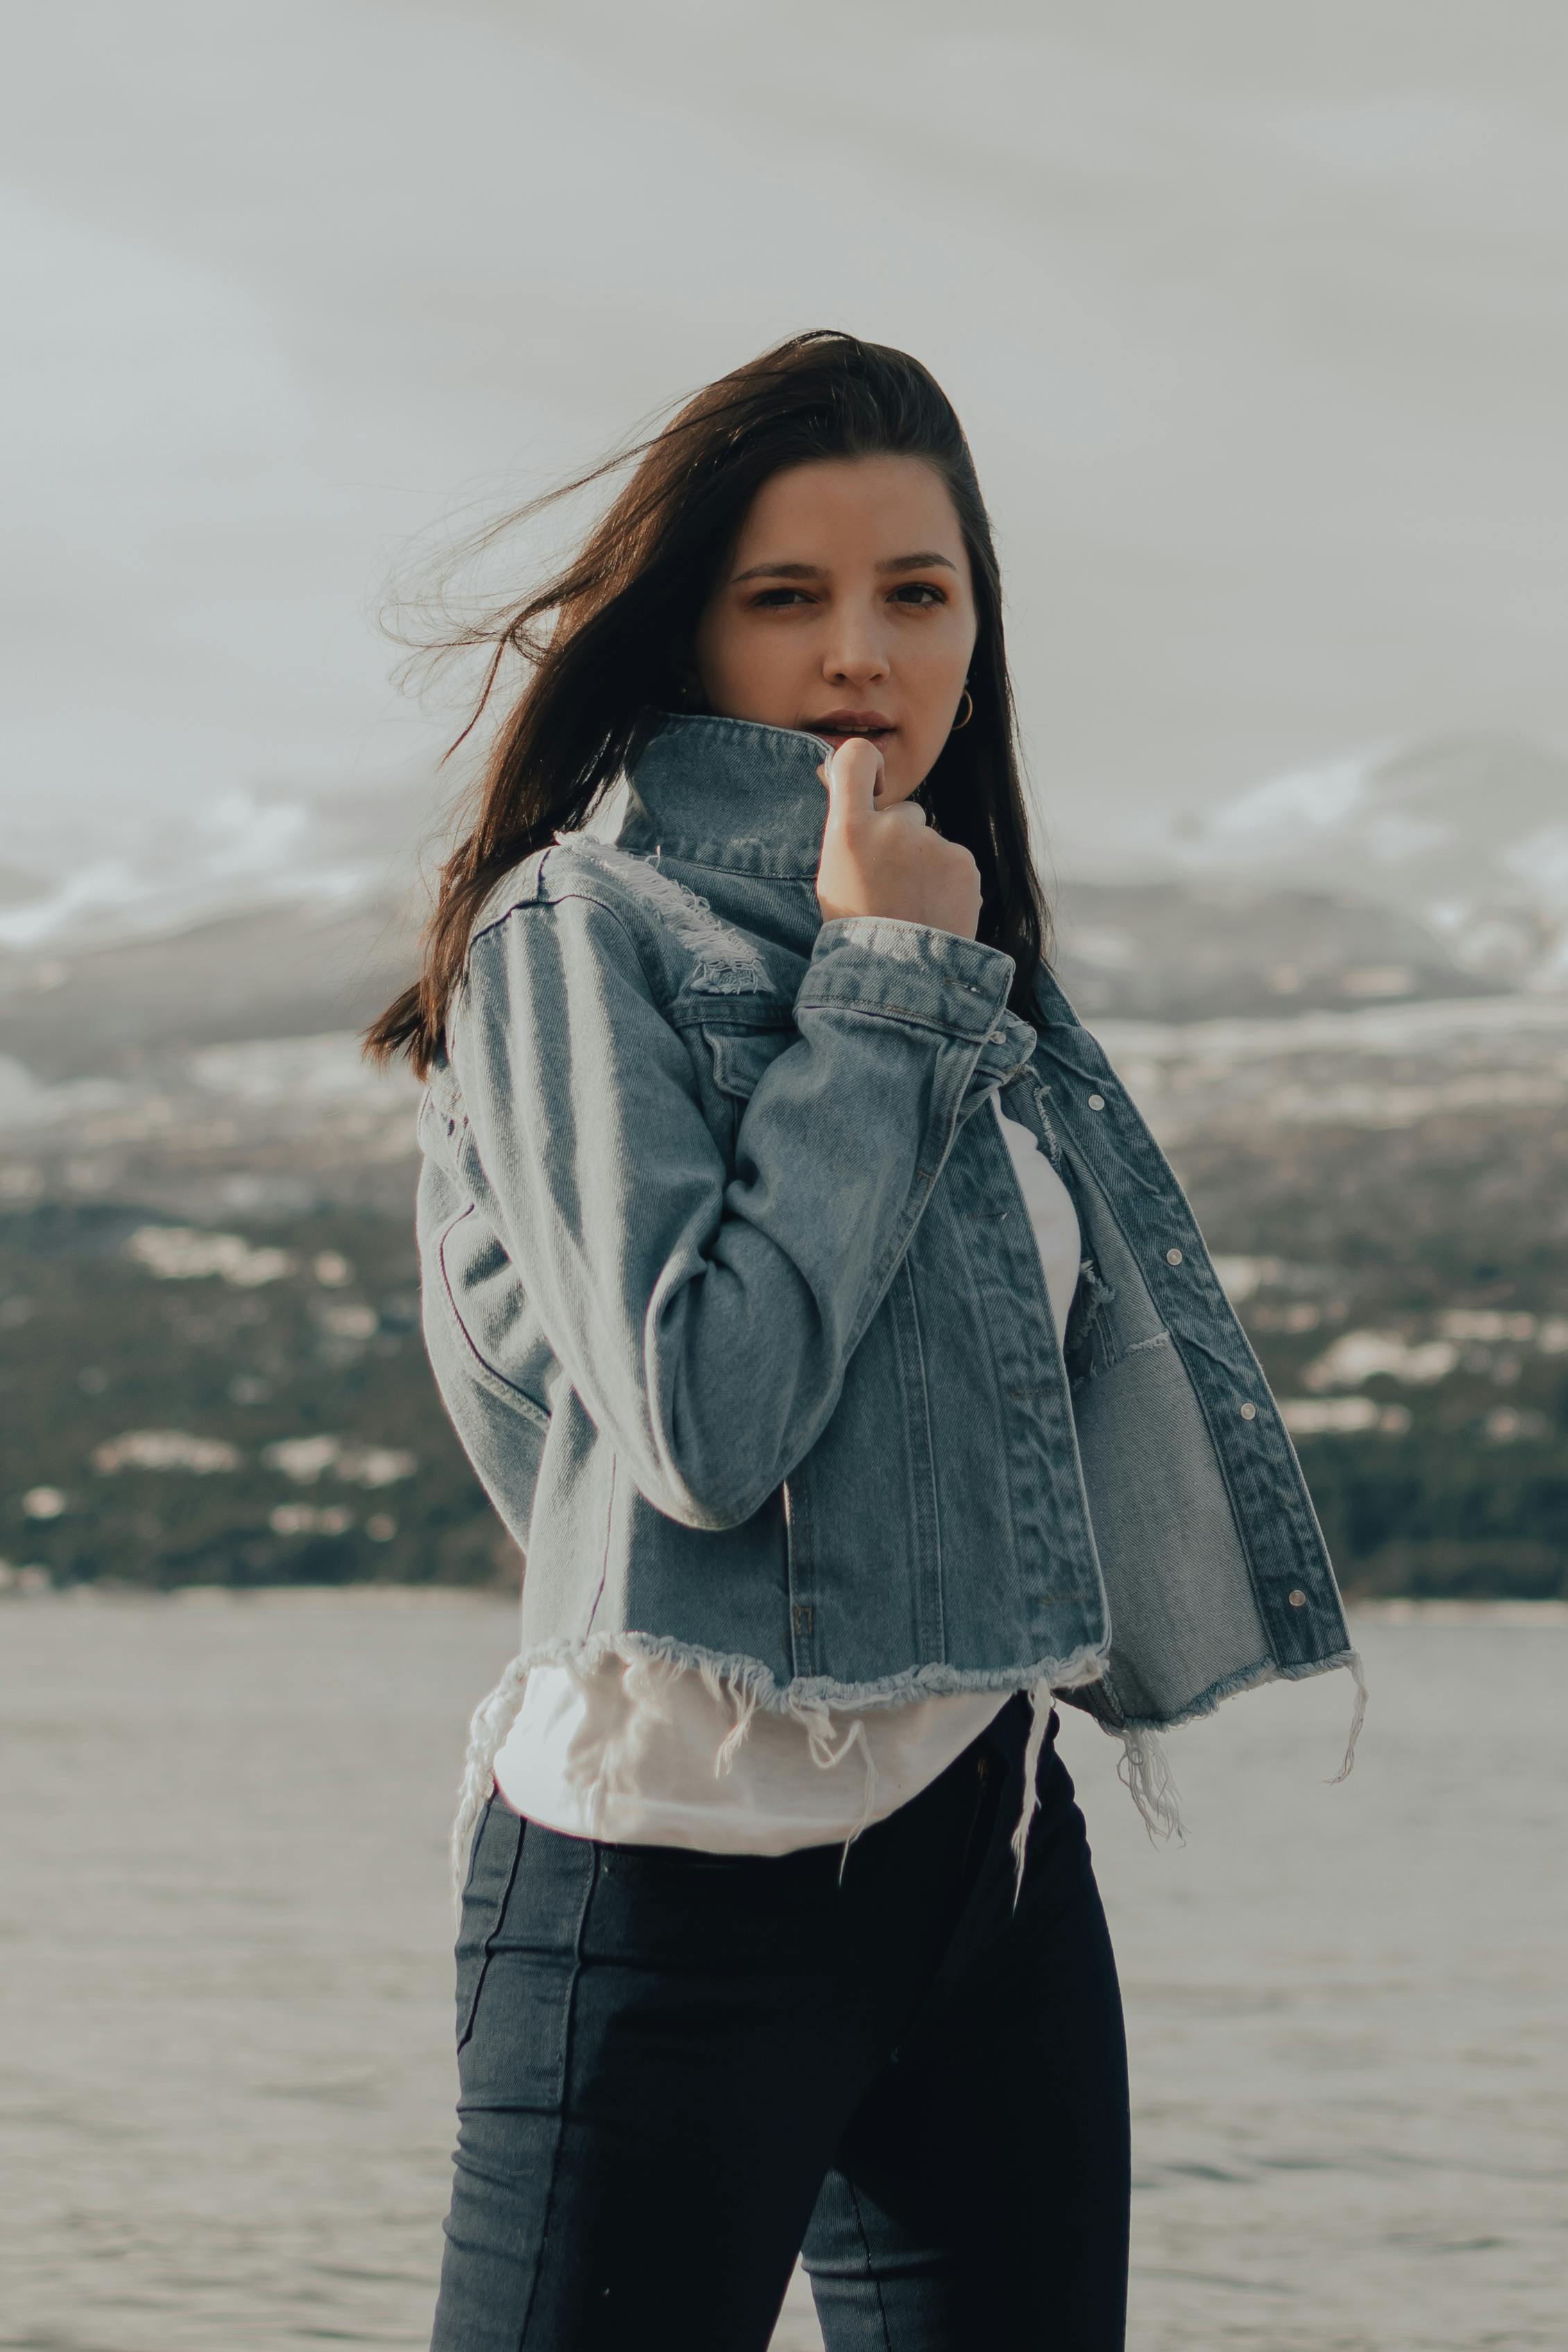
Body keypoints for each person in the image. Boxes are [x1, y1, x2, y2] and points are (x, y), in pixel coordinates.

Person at [366, 331, 1365, 2351]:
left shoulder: (942, 929)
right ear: (684, 632)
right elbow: (697, 1421)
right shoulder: (587, 936)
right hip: (671, 1879)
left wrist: (911, 960)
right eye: (786, 598)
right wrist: (890, 990)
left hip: (979, 1859)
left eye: (916, 594)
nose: (859, 656)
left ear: (977, 628)